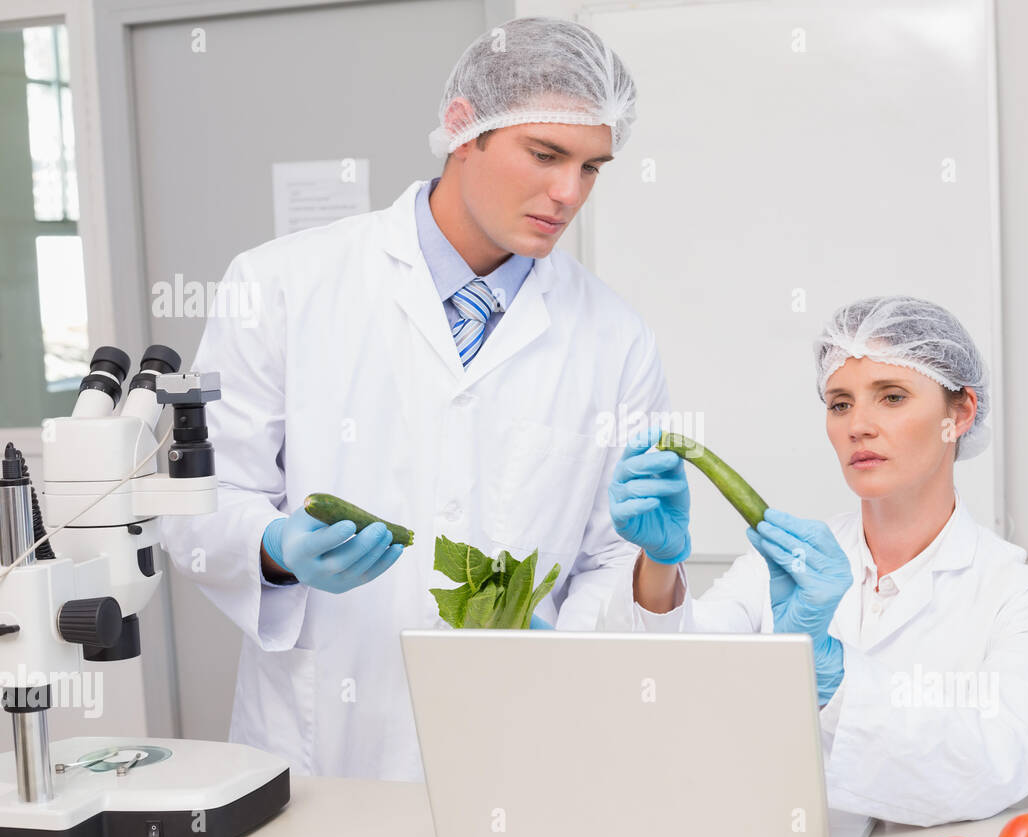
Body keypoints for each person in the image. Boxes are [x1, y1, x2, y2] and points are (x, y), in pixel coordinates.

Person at [161, 17, 670, 781]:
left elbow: (613, 553)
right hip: (327, 749)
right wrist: (274, 549)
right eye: (545, 154)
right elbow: (198, 506)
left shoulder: (616, 338)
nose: (569, 193)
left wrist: (568, 645)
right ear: (463, 127)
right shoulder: (280, 285)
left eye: (592, 167)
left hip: (519, 746)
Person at [603, 296, 1028, 826]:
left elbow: (1004, 759)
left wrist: (833, 674)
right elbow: (668, 691)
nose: (858, 426)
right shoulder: (780, 560)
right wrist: (659, 563)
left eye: (892, 397)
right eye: (840, 404)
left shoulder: (1019, 593)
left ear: (959, 414)